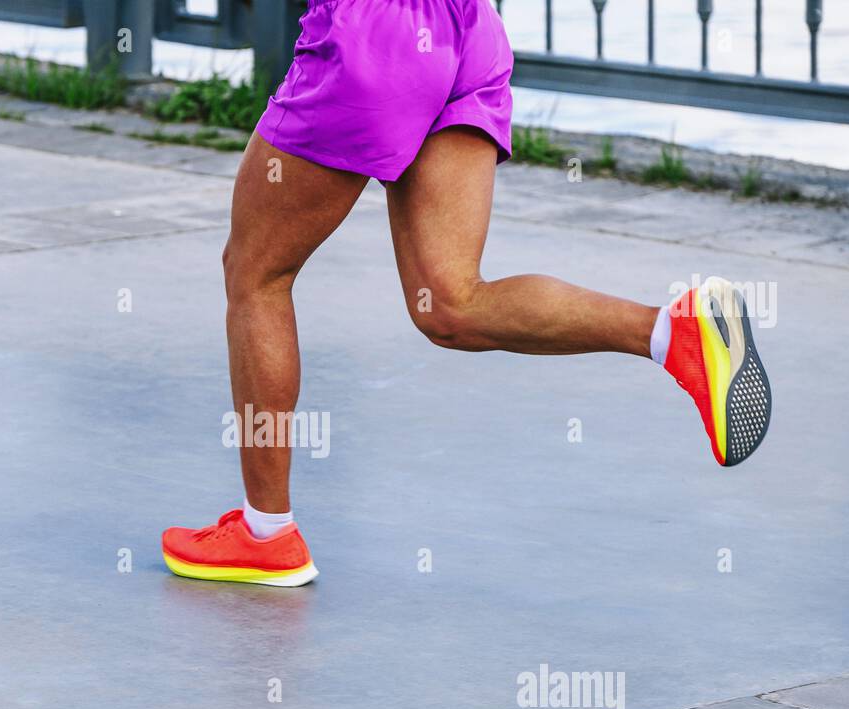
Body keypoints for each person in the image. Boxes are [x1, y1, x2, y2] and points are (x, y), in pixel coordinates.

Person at [161, 0, 771, 587]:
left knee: (257, 274)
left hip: (374, 35)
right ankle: (675, 332)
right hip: (467, 33)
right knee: (451, 303)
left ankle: (266, 534)